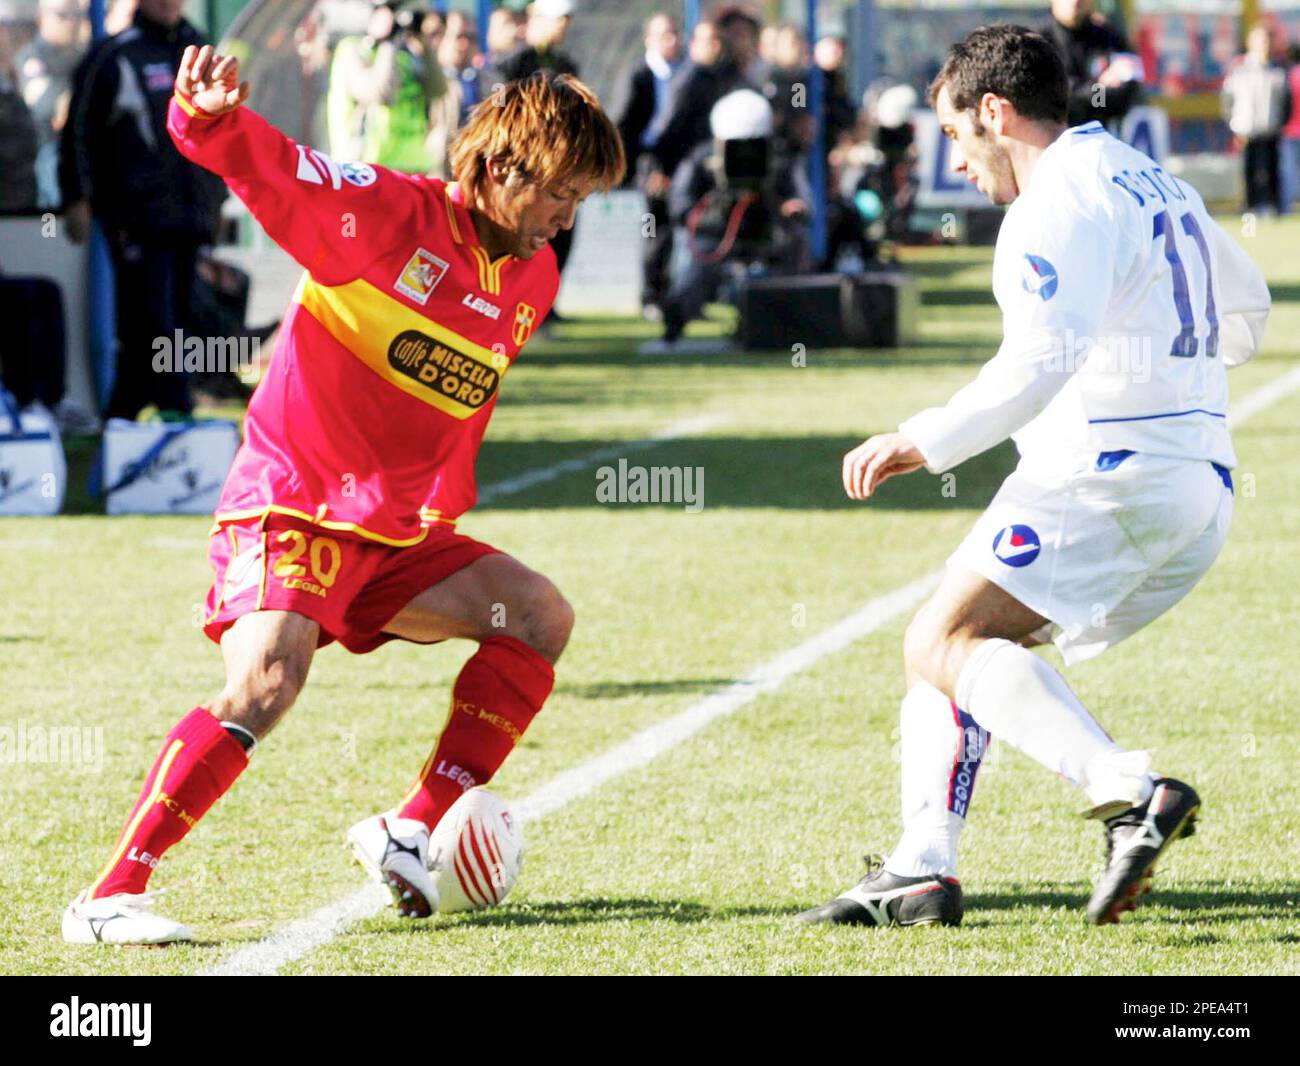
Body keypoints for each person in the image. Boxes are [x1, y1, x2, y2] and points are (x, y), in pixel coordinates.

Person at [61, 45, 624, 945]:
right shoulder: (386, 213)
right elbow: (278, 168)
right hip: (295, 499)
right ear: (495, 167)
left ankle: (413, 826)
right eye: (559, 191)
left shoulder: (533, 278)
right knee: (266, 683)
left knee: (538, 616)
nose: (566, 216)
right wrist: (208, 118)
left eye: (582, 198)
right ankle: (108, 897)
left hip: (397, 531)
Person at [800, 24, 1270, 929]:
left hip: (1111, 471)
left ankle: (1129, 791)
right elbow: (1243, 307)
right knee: (958, 648)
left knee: (941, 638)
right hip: (1196, 481)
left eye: (955, 135)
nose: (960, 162)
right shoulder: (1150, 176)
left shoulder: (1051, 201)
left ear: (994, 111)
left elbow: (1039, 363)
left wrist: (922, 439)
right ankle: (920, 870)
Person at [58, 0, 226, 421]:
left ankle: (121, 424)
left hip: (191, 220)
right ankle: (178, 419)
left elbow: (222, 129)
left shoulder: (199, 48)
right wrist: (76, 197)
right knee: (156, 327)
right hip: (137, 222)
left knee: (161, 334)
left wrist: (218, 200)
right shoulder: (115, 54)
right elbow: (78, 128)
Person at [326, 0, 449, 174]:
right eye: (391, 11)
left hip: (411, 167)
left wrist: (421, 40)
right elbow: (381, 93)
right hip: (364, 169)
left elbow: (438, 90)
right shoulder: (353, 50)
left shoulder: (409, 53)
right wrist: (386, 40)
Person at [615, 11, 683, 317]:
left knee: (669, 229)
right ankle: (651, 296)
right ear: (649, 40)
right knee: (654, 227)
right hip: (647, 162)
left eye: (674, 33)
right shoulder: (638, 75)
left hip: (675, 160)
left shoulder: (682, 73)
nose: (671, 41)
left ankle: (671, 293)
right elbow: (624, 122)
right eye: (663, 35)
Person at [15, 0, 87, 208]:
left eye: (77, 14)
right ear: (41, 19)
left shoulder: (85, 56)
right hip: (45, 152)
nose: (71, 22)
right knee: (50, 225)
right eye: (62, 15)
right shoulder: (31, 58)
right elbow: (46, 108)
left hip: (80, 158)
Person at [1222, 24, 1290, 216]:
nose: (1264, 45)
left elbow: (1286, 101)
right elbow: (1227, 99)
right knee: (1250, 170)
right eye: (1260, 40)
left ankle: (1273, 207)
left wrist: (1280, 124)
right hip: (1247, 128)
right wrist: (1233, 125)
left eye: (1266, 40)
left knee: (1272, 169)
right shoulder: (1239, 69)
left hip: (1271, 128)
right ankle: (1251, 207)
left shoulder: (1278, 69)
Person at [1039, 0, 1141, 127]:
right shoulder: (1037, 42)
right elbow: (1049, 97)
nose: (1075, 1)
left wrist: (1079, 93)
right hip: (1052, 141)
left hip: (1100, 139)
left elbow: (1126, 97)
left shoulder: (1113, 40)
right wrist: (1099, 89)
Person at [439, 10, 485, 126]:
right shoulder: (430, 82)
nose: (464, 45)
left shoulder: (494, 81)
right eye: (458, 37)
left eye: (471, 38)